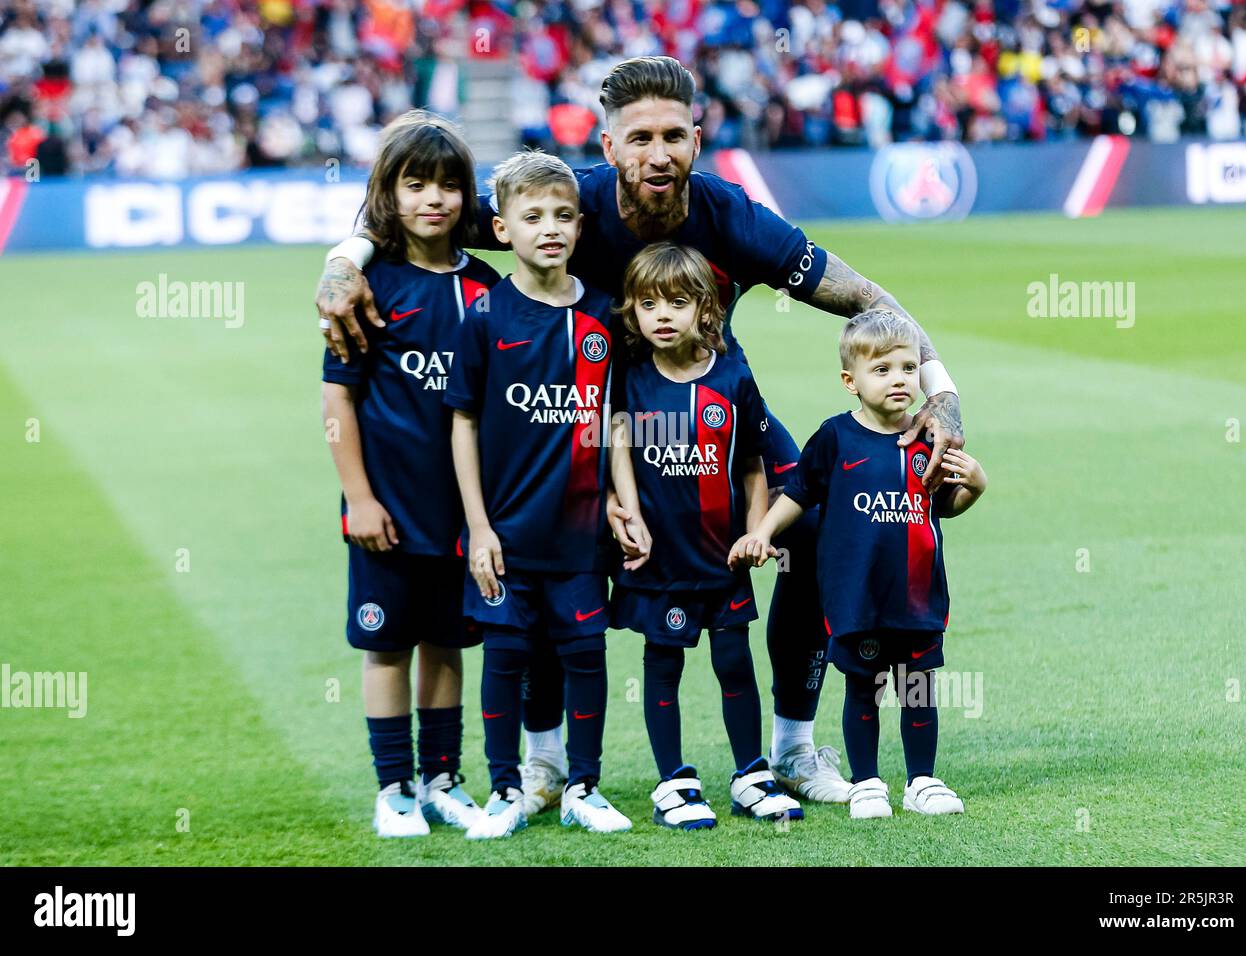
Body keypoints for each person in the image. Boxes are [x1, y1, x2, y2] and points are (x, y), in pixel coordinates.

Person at [315, 56, 966, 805]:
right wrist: (343, 264)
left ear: (698, 137)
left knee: (814, 518)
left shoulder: (734, 217)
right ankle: (546, 763)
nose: (658, 154)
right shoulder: (567, 201)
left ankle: (791, 746)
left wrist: (942, 397)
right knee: (548, 548)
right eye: (640, 138)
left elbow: (867, 300)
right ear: (608, 145)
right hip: (588, 425)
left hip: (713, 408)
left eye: (674, 136)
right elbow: (416, 206)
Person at [730, 310, 987, 819]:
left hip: (917, 595)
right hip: (855, 597)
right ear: (851, 381)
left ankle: (922, 781)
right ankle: (867, 782)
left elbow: (942, 507)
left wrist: (975, 484)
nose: (899, 380)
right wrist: (761, 531)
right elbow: (798, 494)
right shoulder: (835, 438)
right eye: (882, 369)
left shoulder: (926, 438)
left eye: (909, 369)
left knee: (919, 691)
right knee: (863, 690)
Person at [321, 111, 500, 837]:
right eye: (416, 184)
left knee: (449, 644)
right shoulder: (370, 285)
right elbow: (339, 398)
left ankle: (442, 779)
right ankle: (393, 788)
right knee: (387, 646)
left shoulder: (488, 288)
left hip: (462, 515)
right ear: (387, 195)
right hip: (386, 511)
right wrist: (359, 498)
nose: (434, 199)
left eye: (449, 185)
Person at [446, 149, 633, 839]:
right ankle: (506, 787)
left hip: (582, 534)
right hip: (506, 534)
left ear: (580, 228)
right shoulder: (486, 317)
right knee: (507, 656)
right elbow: (462, 423)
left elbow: (612, 418)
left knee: (586, 653)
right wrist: (480, 526)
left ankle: (584, 784)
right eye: (532, 217)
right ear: (502, 230)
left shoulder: (603, 317)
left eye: (562, 216)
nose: (549, 228)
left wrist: (624, 502)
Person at [608, 242, 804, 829]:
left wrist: (754, 534)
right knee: (662, 664)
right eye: (648, 304)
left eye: (677, 302)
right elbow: (617, 440)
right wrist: (628, 508)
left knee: (734, 662)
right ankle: (673, 781)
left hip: (722, 560)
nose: (661, 315)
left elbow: (751, 466)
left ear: (706, 311)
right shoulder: (632, 376)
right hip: (659, 559)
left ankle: (752, 772)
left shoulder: (733, 378)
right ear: (633, 312)